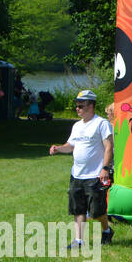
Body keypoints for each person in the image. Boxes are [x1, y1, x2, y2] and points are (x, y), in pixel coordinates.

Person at [49, 90, 114, 248]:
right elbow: (70, 146)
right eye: (76, 106)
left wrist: (105, 168)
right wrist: (58, 148)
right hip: (77, 174)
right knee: (78, 208)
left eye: (81, 106)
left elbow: (109, 147)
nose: (77, 108)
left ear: (91, 106)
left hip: (96, 174)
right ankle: (79, 241)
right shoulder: (77, 126)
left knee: (97, 211)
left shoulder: (101, 124)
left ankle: (106, 230)